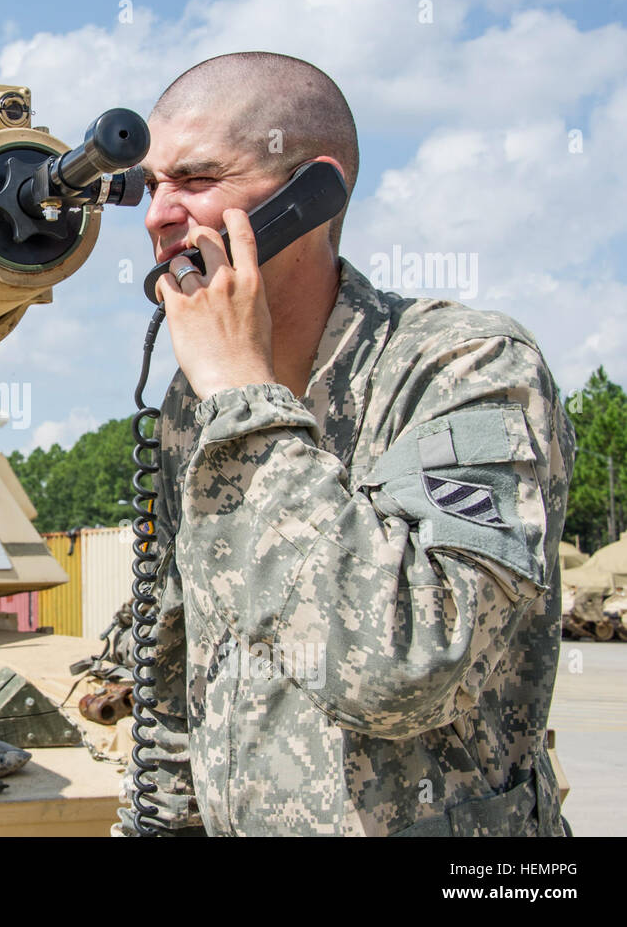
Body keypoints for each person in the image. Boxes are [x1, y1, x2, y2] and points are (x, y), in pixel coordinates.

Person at [117, 52, 574, 836]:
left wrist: (242, 399)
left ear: (312, 193)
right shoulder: (194, 411)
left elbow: (404, 668)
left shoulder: (467, 368)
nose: (158, 214)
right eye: (149, 185)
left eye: (193, 179)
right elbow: (173, 689)